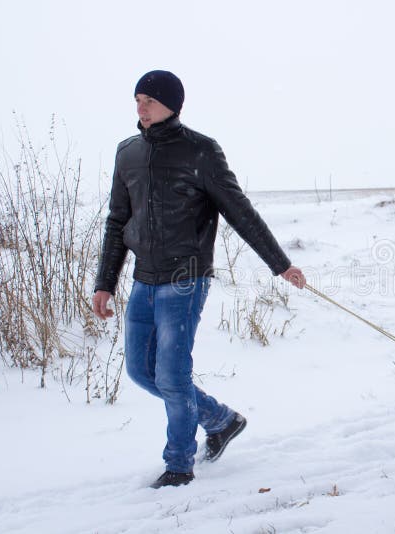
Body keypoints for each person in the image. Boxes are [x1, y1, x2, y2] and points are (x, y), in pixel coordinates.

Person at [92, 70, 306, 488]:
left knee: (172, 376)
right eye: (137, 99)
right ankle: (221, 420)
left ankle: (178, 465)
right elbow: (118, 220)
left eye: (148, 100)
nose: (140, 108)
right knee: (140, 371)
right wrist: (104, 282)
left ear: (172, 104)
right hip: (143, 279)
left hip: (185, 279)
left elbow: (239, 210)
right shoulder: (128, 153)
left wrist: (280, 263)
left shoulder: (201, 152)